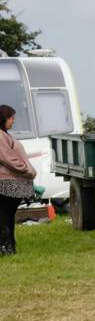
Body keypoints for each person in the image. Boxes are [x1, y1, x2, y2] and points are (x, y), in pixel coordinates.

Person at [0, 104, 37, 257]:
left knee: (7, 216)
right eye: (11, 118)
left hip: (12, 182)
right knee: (3, 217)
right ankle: (5, 247)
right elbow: (7, 158)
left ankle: (9, 247)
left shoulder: (4, 134)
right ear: (3, 118)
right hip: (6, 183)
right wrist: (26, 169)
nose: (13, 121)